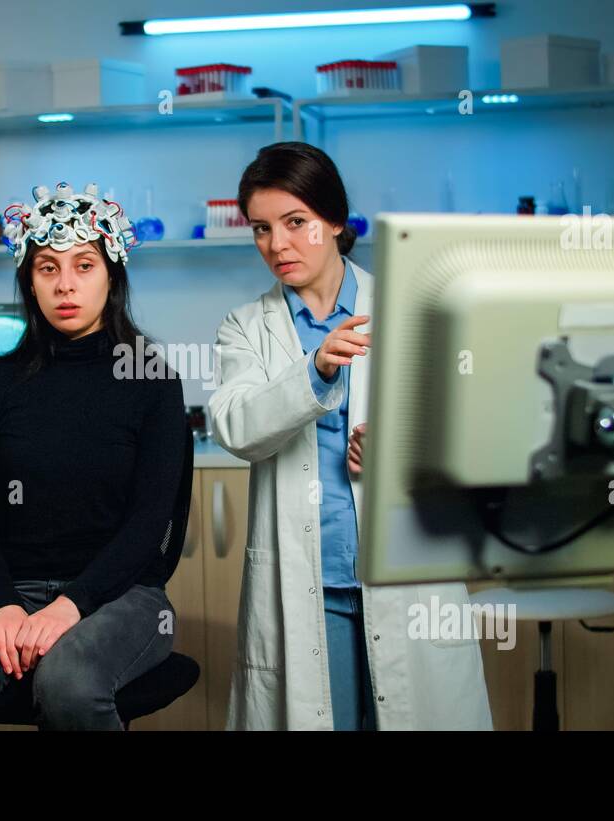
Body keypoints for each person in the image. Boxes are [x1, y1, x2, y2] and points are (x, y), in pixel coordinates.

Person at [209, 142, 493, 730]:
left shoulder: (413, 308)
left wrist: (407, 452)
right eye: (261, 229)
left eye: (296, 223)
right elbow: (236, 425)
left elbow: (475, 434)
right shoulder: (246, 327)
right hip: (310, 581)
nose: (277, 245)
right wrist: (314, 368)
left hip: (400, 571)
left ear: (335, 221)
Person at [0, 182, 188, 731]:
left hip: (125, 597)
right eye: (47, 268)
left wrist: (72, 604)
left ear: (113, 275)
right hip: (14, 589)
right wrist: (1, 601)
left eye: (84, 265)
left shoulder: (151, 380)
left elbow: (150, 522)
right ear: (29, 282)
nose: (66, 285)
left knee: (69, 686)